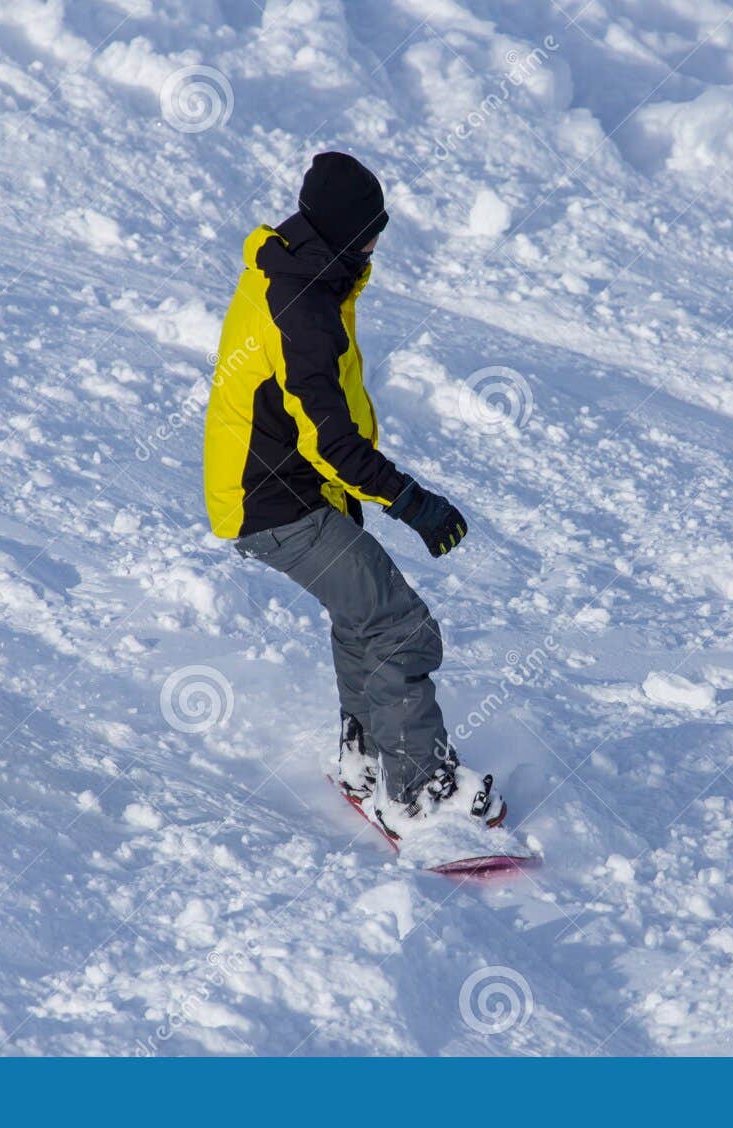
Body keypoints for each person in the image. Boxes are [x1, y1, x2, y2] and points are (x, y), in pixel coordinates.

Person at [202, 151, 505, 842]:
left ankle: (367, 756)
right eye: (370, 233)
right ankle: (417, 793)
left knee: (363, 614)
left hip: (279, 485)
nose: (376, 244)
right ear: (342, 235)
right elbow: (331, 441)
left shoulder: (294, 270)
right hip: (276, 500)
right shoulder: (304, 307)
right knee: (399, 625)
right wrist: (413, 502)